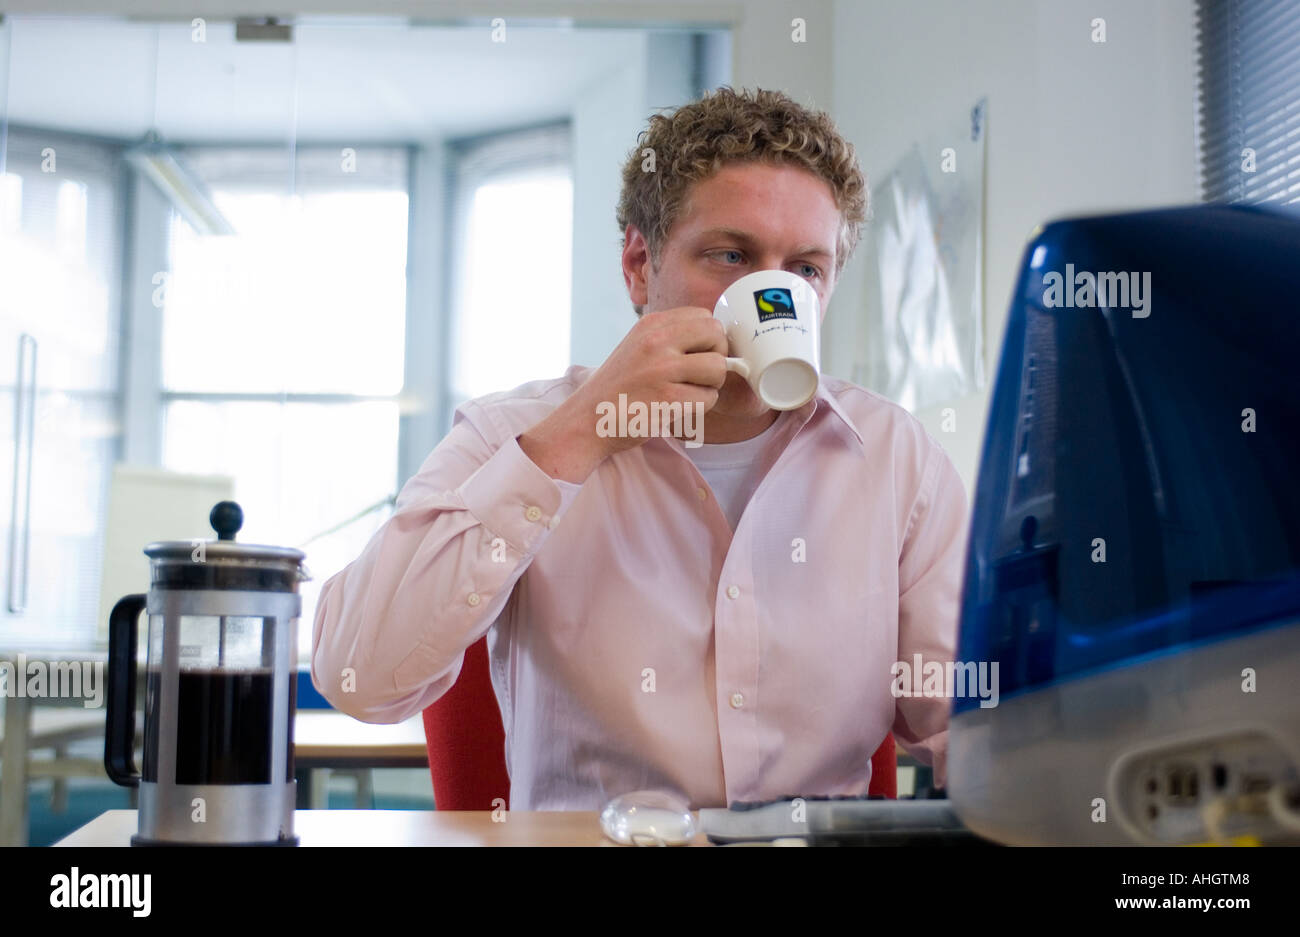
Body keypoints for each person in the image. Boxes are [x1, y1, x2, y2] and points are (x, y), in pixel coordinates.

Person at [311, 86, 969, 811]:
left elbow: (966, 724)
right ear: (637, 263)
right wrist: (579, 434)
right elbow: (356, 677)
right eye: (731, 255)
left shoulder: (895, 459)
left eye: (805, 269)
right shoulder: (513, 432)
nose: (773, 295)